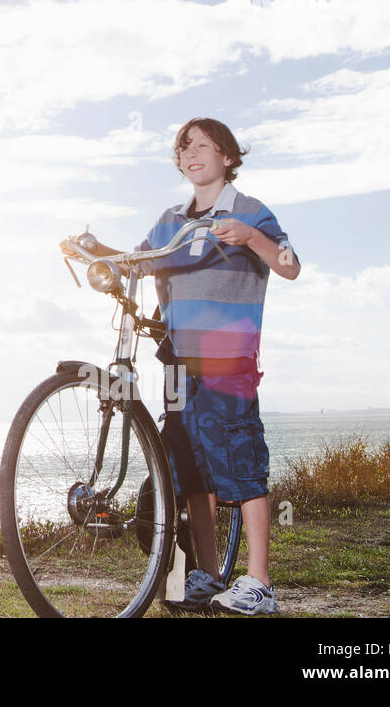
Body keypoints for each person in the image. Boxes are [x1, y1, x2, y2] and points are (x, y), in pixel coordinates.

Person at [69, 117, 299, 615]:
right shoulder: (171, 219)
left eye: (203, 146)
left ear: (229, 158)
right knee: (189, 466)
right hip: (176, 361)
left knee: (239, 459)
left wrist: (251, 239)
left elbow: (289, 264)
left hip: (228, 359)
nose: (191, 153)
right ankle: (211, 576)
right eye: (184, 148)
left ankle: (259, 582)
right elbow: (138, 260)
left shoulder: (251, 211)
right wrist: (93, 250)